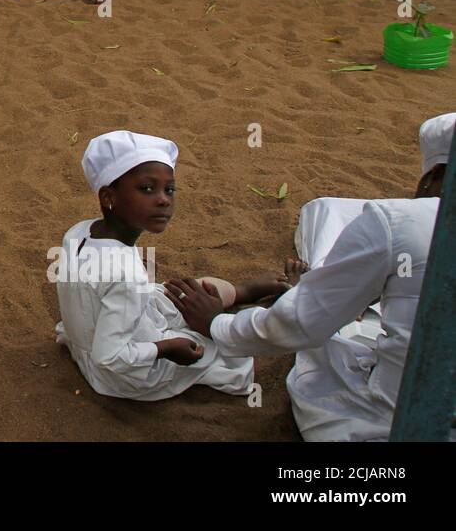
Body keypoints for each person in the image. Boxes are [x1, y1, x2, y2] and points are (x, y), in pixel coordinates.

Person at [170, 112, 454, 441]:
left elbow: (300, 325)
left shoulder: (399, 221)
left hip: (408, 421)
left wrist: (216, 324)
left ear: (430, 177)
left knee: (326, 352)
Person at [53, 130, 292, 401]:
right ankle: (272, 309)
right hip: (124, 372)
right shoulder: (127, 278)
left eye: (169, 189)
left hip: (98, 333)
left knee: (193, 291)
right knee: (227, 343)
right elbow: (110, 357)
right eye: (147, 189)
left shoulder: (79, 231)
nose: (163, 199)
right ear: (109, 197)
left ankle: (241, 293)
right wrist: (168, 348)